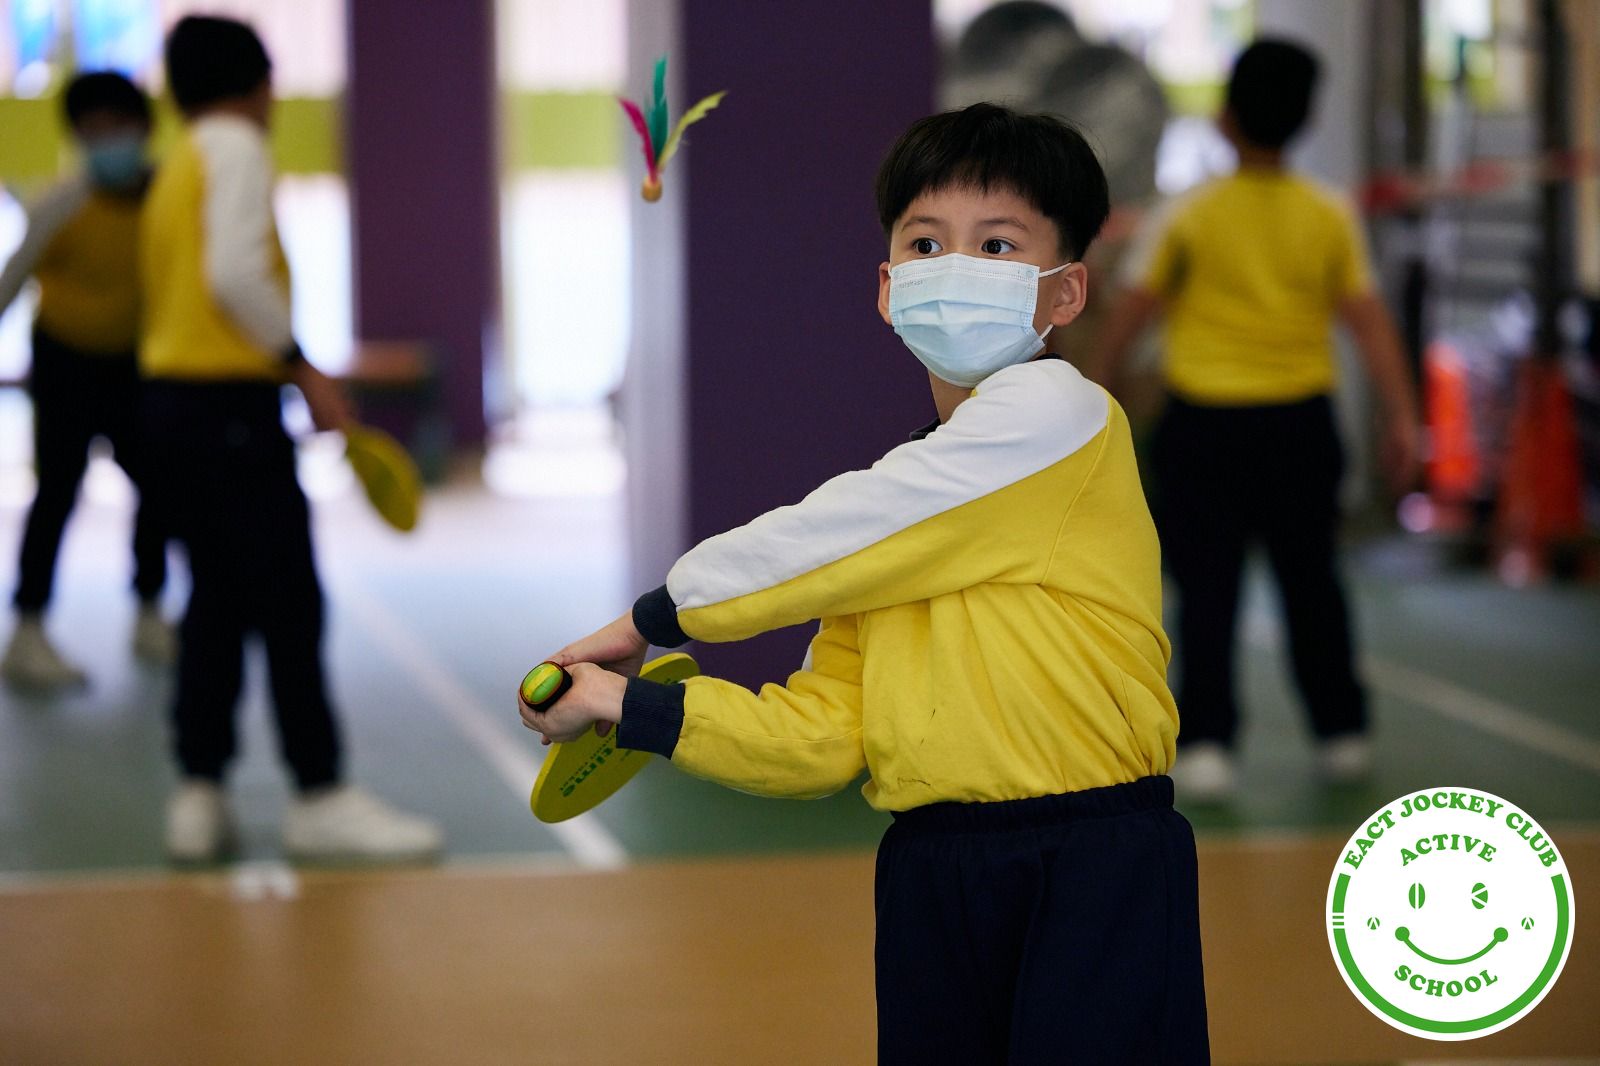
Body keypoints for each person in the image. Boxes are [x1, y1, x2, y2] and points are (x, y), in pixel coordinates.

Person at [521, 103, 1209, 1064]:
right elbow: (821, 739)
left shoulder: (1058, 416)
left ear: (1065, 293)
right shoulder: (904, 525)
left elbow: (844, 527)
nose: (955, 268)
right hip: (934, 869)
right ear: (889, 289)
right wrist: (631, 709)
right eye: (926, 243)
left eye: (998, 244)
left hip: (1089, 863)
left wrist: (654, 619)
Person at [140, 15, 440, 863]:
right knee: (286, 602)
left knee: (214, 603)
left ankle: (199, 792)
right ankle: (319, 793)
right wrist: (304, 369)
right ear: (257, 84)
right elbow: (234, 271)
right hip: (228, 411)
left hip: (172, 407)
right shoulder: (234, 145)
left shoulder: (179, 165)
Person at [1094, 39, 1421, 802]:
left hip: (1205, 429)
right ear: (1305, 119)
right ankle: (1343, 732)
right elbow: (1370, 322)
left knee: (1207, 589)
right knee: (1313, 580)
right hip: (1302, 427)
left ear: (1226, 117)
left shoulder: (1189, 214)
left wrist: (1098, 395)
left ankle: (1208, 742)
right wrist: (1404, 416)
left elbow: (1129, 318)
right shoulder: (1328, 213)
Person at [0, 71, 174, 690]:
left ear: (145, 129)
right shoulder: (61, 202)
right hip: (65, 363)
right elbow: (11, 280)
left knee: (160, 487)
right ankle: (27, 629)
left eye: (117, 128)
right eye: (90, 132)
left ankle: (151, 610)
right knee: (57, 495)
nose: (106, 142)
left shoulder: (166, 198)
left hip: (136, 366)